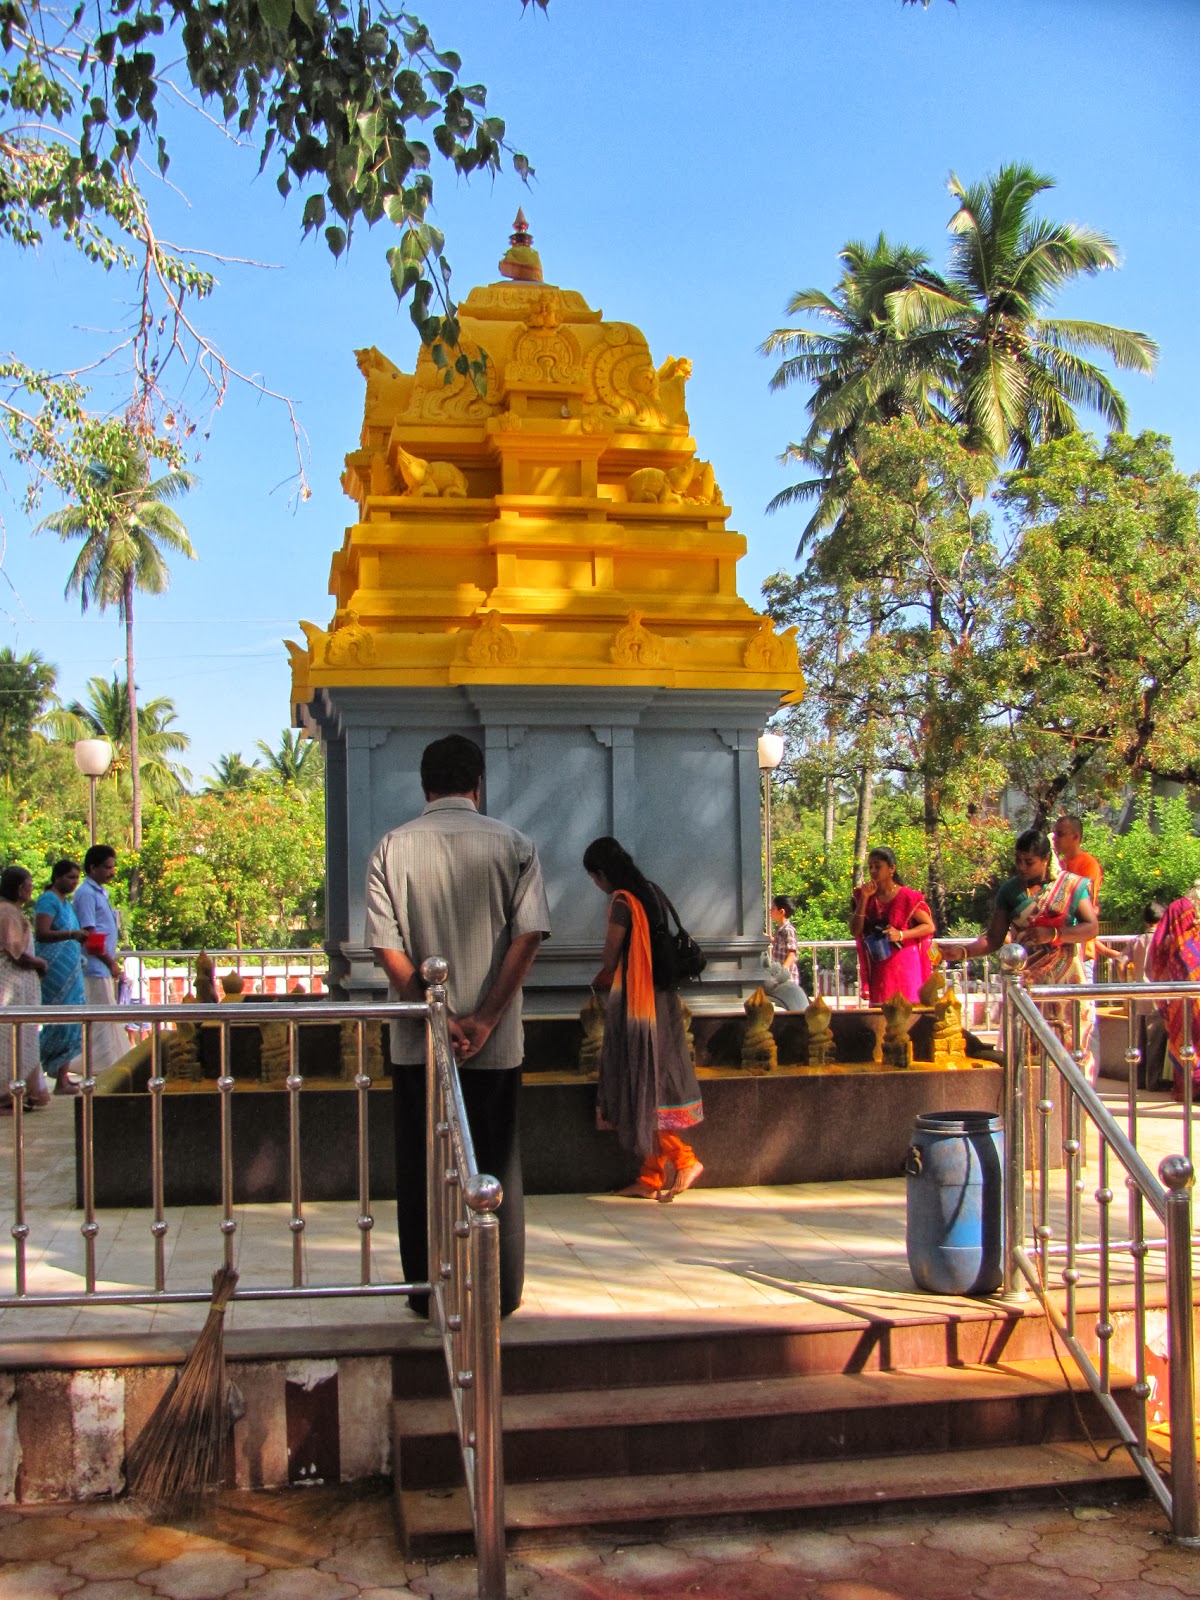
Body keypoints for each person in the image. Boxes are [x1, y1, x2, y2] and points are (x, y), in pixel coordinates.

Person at [366, 733, 550, 1318]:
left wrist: (435, 1016)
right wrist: (487, 1018)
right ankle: (500, 1291)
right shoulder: (515, 845)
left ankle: (427, 1290)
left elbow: (385, 947)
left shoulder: (391, 849)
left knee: (422, 1167)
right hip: (494, 1048)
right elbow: (529, 936)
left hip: (420, 1045)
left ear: (425, 785)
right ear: (479, 785)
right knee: (497, 1164)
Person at [583, 835, 704, 1201]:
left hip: (639, 1005)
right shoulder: (649, 892)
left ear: (602, 872)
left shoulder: (622, 901)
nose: (596, 884)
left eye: (593, 876)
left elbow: (610, 956)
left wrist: (607, 969)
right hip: (660, 998)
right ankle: (651, 1176)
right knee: (645, 1084)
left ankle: (684, 1158)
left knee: (640, 1082)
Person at [939, 828, 1099, 1071]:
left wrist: (1054, 934)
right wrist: (962, 952)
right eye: (1018, 861)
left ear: (1045, 860)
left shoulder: (1069, 885)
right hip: (1026, 979)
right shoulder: (1010, 891)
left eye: (1029, 862)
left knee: (1069, 1048)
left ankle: (1074, 1106)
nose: (1022, 867)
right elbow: (993, 939)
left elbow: (1091, 927)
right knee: (1027, 1050)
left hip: (1065, 979)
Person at [849, 847, 935, 1006]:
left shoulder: (907, 896)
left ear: (892, 868)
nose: (873, 871)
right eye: (870, 867)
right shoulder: (862, 895)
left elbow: (929, 926)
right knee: (881, 1012)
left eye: (877, 866)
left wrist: (901, 935)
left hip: (905, 961)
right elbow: (855, 930)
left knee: (907, 1011)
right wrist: (864, 899)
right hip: (879, 962)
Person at [33, 859, 89, 1094]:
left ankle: (63, 1077)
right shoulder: (48, 900)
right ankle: (46, 1071)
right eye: (69, 877)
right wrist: (71, 934)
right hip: (55, 970)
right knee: (59, 1022)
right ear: (57, 877)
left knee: (72, 1022)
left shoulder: (67, 903)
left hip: (71, 969)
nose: (74, 882)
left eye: (76, 878)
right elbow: (42, 933)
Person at [71, 844, 127, 1073]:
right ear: (93, 868)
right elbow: (90, 935)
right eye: (107, 867)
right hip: (95, 966)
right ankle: (99, 1068)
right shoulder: (85, 893)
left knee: (109, 1017)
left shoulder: (101, 893)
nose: (112, 872)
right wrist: (110, 962)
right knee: (101, 1020)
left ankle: (111, 1064)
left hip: (102, 967)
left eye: (113, 867)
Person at [0, 867, 52, 1111]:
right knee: (10, 1041)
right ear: (21, 888)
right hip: (10, 988)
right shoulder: (7, 913)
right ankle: (7, 1093)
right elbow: (16, 952)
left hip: (18, 989)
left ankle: (22, 1090)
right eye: (30, 884)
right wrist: (39, 963)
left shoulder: (11, 911)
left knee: (20, 1038)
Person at [1146, 888, 1200, 1101]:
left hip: (1183, 987)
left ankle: (1189, 1087)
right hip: (1187, 986)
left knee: (1185, 1036)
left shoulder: (1179, 907)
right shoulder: (1182, 909)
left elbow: (1160, 944)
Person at [1127, 901, 1169, 1091]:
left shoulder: (1135, 941)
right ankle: (1153, 1082)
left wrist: (1125, 985)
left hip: (1138, 995)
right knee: (1155, 1043)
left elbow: (1120, 962)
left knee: (1139, 1042)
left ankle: (1138, 1081)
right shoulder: (1164, 941)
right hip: (1157, 997)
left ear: (1145, 921)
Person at [763, 895, 809, 1012]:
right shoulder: (781, 930)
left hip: (787, 977)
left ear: (781, 911)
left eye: (773, 908)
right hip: (780, 976)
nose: (770, 911)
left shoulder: (788, 930)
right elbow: (779, 942)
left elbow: (792, 952)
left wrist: (783, 970)